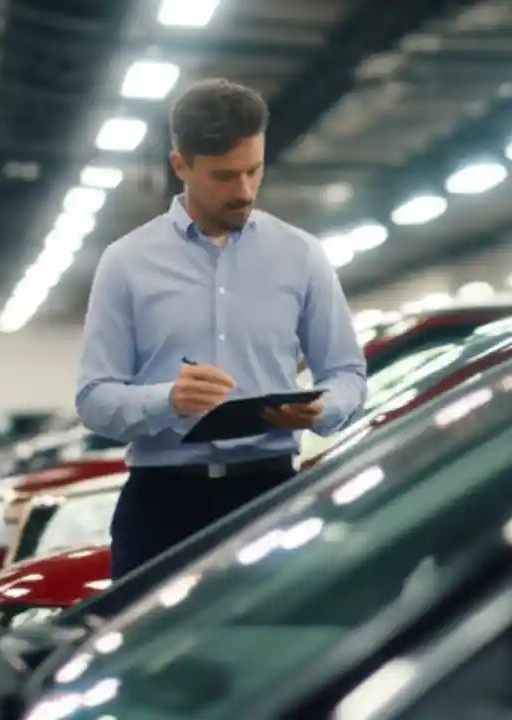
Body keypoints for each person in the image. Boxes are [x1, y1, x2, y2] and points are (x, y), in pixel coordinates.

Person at [76, 78, 368, 579]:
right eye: (224, 176)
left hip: (269, 497)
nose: (245, 191)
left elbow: (347, 374)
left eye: (254, 170)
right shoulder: (126, 262)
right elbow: (94, 400)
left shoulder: (301, 255)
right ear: (180, 166)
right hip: (162, 507)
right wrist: (167, 400)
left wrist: (322, 409)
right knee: (149, 656)